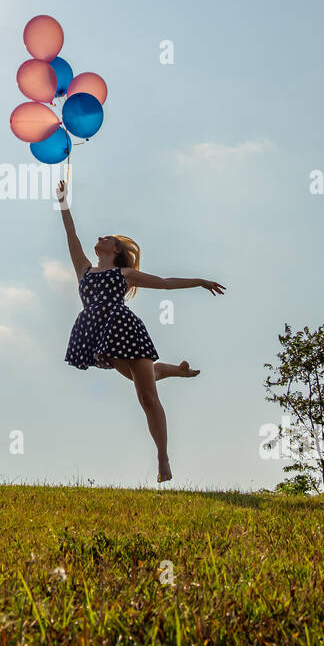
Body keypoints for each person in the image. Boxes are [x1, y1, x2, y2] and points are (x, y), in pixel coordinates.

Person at [56, 180, 224, 482]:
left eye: (106, 237)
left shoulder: (125, 274)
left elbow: (164, 281)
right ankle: (175, 370)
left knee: (146, 396)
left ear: (116, 249)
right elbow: (71, 234)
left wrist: (199, 281)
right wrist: (64, 203)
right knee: (140, 379)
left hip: (125, 329)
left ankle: (162, 458)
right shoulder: (83, 269)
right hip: (98, 334)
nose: (99, 238)